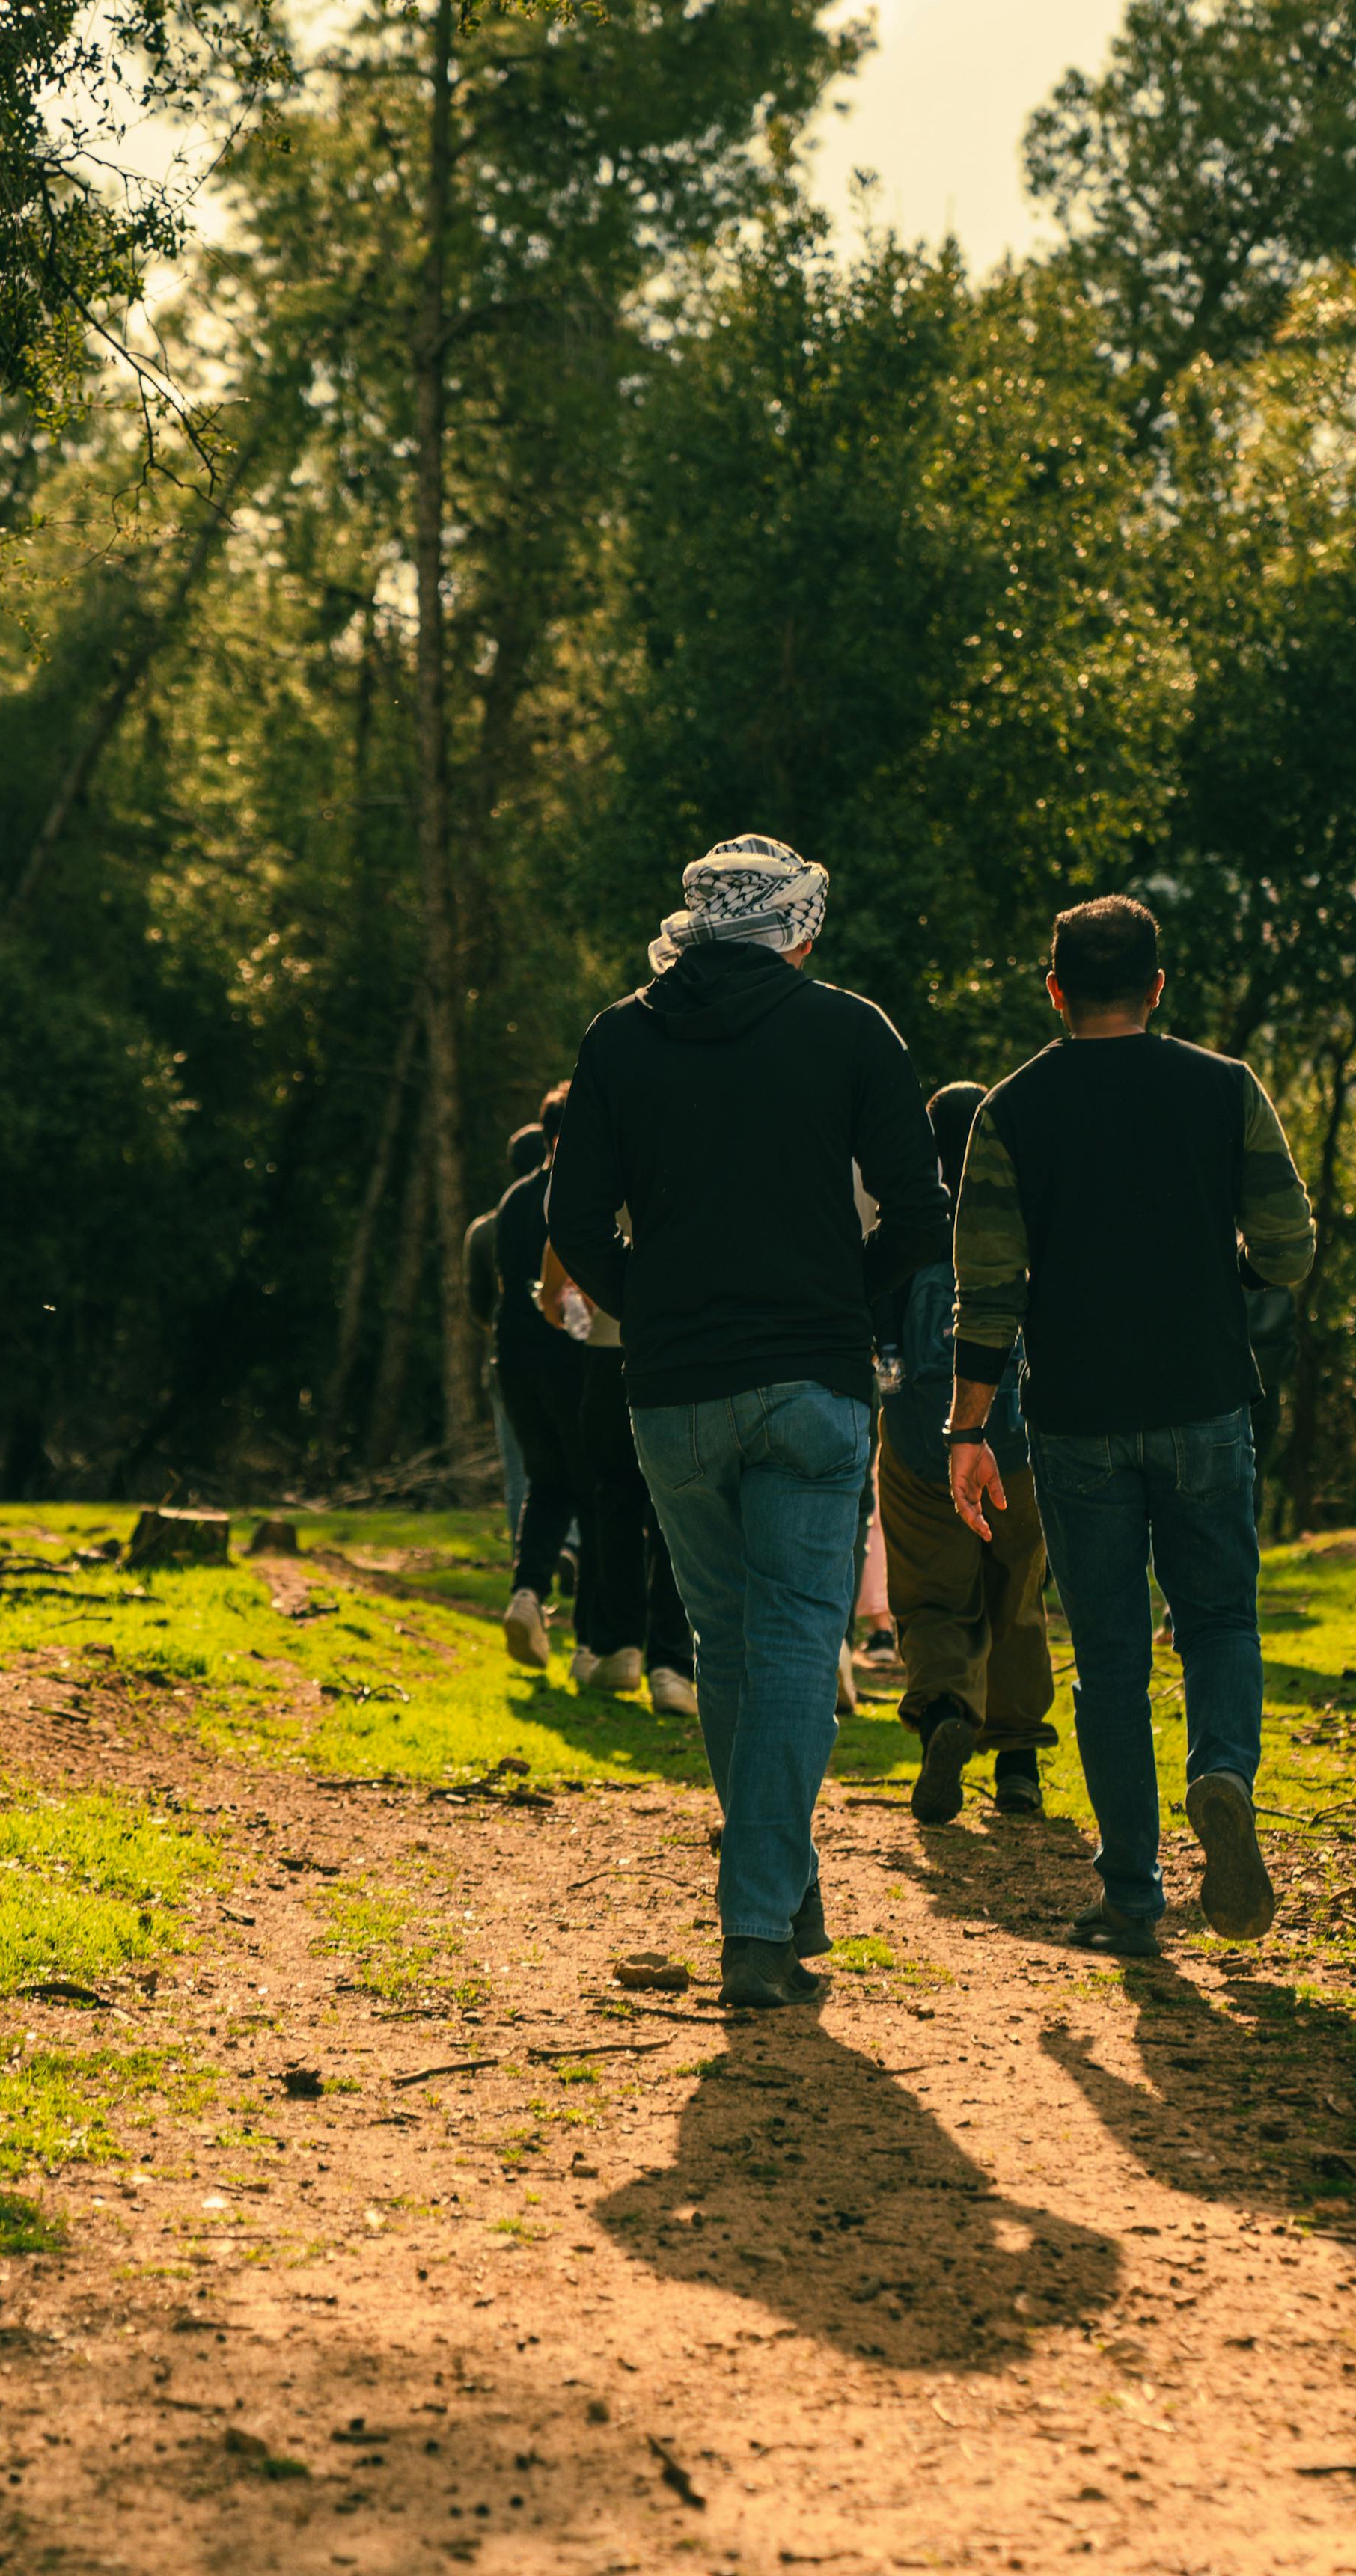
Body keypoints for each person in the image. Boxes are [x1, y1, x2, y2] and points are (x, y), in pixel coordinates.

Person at [547, 834, 947, 2010]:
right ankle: (758, 1920)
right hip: (810, 1384)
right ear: (798, 931)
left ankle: (781, 1880)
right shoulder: (850, 1031)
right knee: (786, 1645)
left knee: (732, 1644)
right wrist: (840, 1298)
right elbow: (924, 1218)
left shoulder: (619, 1037)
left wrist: (654, 1310)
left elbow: (573, 1218)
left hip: (673, 1391)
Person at [946, 893, 1314, 1957]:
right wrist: (1224, 1268)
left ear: (1053, 990)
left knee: (1108, 1657)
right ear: (1158, 987)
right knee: (1217, 1619)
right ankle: (1222, 1774)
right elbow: (1287, 1252)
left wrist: (966, 1432)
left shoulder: (1009, 1112)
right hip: (1203, 1396)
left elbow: (987, 1291)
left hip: (1077, 1415)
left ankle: (1130, 1894)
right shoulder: (1224, 1089)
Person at [876, 1082, 1054, 1826]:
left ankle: (947, 1711)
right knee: (1016, 1590)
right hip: (1015, 1446)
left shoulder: (904, 1232)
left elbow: (875, 1340)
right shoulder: (1027, 1222)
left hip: (920, 1446)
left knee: (931, 1594)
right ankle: (1016, 1764)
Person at [537, 1232, 699, 1716]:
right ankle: (671, 1663)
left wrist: (562, 1299)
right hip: (685, 1344)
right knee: (678, 1503)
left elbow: (564, 1235)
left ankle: (620, 1645)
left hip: (612, 1346)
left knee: (616, 1499)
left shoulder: (605, 1154)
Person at [471, 1101, 584, 1669]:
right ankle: (598, 1635)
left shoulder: (513, 1199)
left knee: (545, 1479)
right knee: (596, 1483)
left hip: (511, 1356)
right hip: (567, 1354)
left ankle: (528, 1593)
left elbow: (493, 1284)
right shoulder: (579, 1193)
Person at [464, 1119, 548, 1541]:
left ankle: (525, 1577)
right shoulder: (561, 1215)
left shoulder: (483, 1230)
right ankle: (568, 1548)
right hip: (558, 1351)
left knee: (519, 1474)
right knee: (566, 1462)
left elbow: (477, 1302)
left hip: (503, 1356)